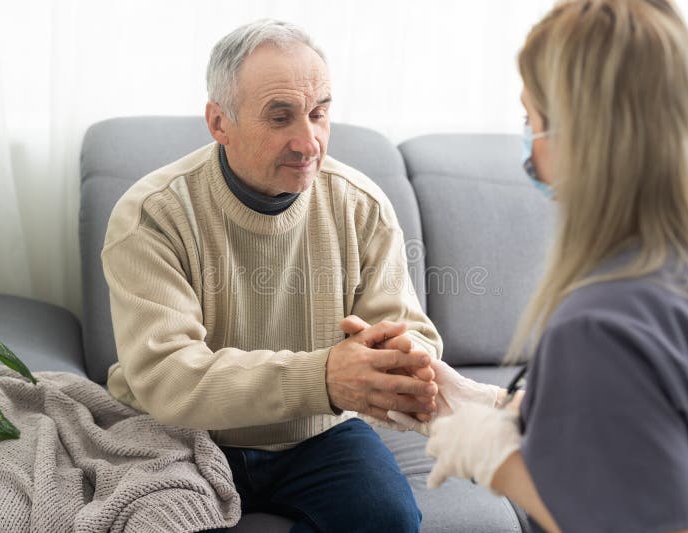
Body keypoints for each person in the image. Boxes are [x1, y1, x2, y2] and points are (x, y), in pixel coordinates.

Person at [101, 19, 451, 532]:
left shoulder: (362, 206)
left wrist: (408, 363)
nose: (308, 142)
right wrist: (324, 376)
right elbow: (169, 376)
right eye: (281, 117)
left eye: (318, 113)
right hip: (183, 433)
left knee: (387, 521)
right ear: (219, 123)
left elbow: (409, 331)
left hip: (319, 434)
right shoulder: (151, 215)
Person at [422, 1, 688, 532]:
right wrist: (517, 406)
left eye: (530, 120)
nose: (527, 145)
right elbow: (671, 425)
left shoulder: (601, 326)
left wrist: (498, 463)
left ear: (580, 136)